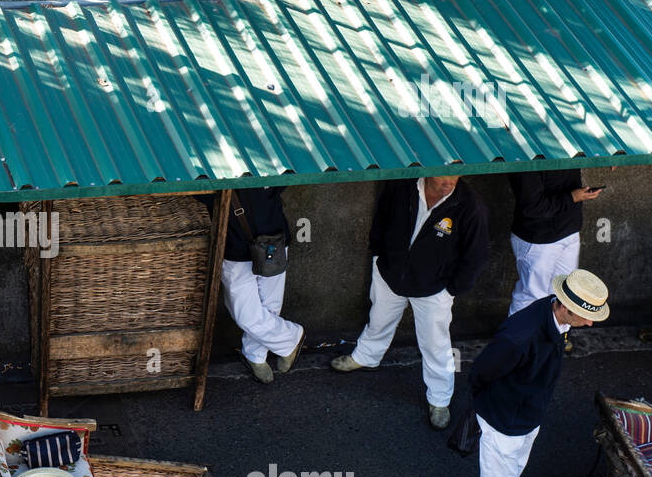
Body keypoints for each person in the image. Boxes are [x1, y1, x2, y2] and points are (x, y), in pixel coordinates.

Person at [469, 268, 609, 477]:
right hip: (504, 418)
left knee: (511, 474)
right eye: (586, 316)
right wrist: (493, 406)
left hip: (528, 415)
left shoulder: (553, 316)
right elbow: (481, 371)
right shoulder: (521, 336)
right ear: (565, 307)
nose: (589, 323)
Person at [331, 176, 489, 430]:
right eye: (442, 175)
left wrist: (451, 290)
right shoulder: (401, 184)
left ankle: (439, 399)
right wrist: (378, 255)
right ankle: (366, 357)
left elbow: (476, 256)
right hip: (389, 273)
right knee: (378, 320)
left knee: (436, 344)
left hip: (433, 289)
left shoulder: (470, 206)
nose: (449, 182)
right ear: (428, 170)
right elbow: (381, 218)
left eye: (455, 175)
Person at [506, 171, 602, 351]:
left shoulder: (567, 143)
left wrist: (607, 153)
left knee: (566, 293)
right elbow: (531, 207)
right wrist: (572, 197)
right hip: (538, 238)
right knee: (532, 293)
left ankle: (557, 339)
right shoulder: (525, 155)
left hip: (568, 229)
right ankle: (515, 344)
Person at [222, 187, 305, 384]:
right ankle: (289, 338)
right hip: (234, 239)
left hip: (273, 235)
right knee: (243, 312)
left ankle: (255, 355)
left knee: (270, 304)